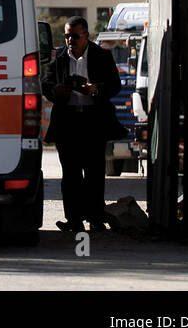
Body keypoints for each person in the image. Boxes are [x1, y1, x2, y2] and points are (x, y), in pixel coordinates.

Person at [41, 15, 127, 233]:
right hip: (67, 122)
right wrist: (56, 91)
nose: (70, 40)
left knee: (94, 174)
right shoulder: (58, 57)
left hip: (93, 122)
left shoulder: (102, 56)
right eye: (67, 36)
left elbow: (115, 85)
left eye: (75, 36)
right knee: (70, 175)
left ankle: (95, 219)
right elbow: (46, 83)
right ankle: (74, 220)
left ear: (86, 36)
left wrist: (94, 89)